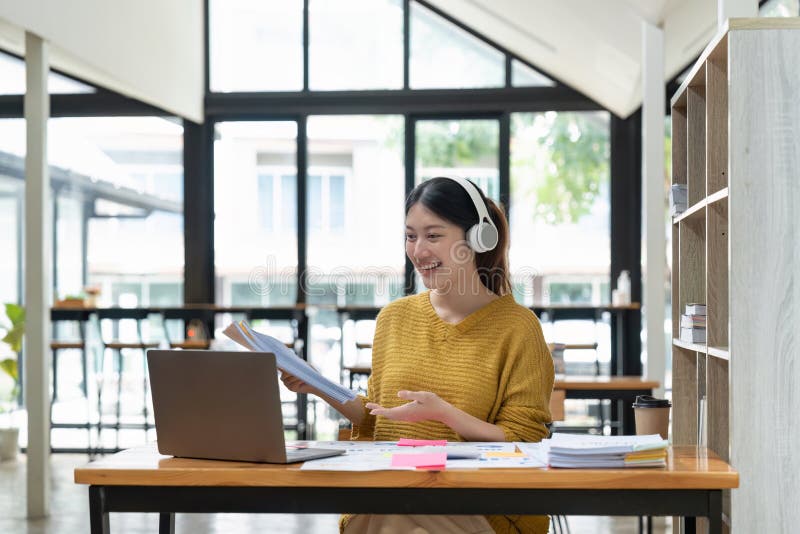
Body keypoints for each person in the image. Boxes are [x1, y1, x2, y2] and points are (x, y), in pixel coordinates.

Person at [281, 176, 554, 534]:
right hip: (392, 492)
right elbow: (375, 418)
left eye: (433, 235)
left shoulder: (519, 329)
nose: (418, 251)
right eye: (411, 236)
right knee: (397, 514)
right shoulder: (394, 319)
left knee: (396, 518)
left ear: (477, 238)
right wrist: (318, 386)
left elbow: (526, 443)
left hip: (481, 504)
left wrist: (446, 415)